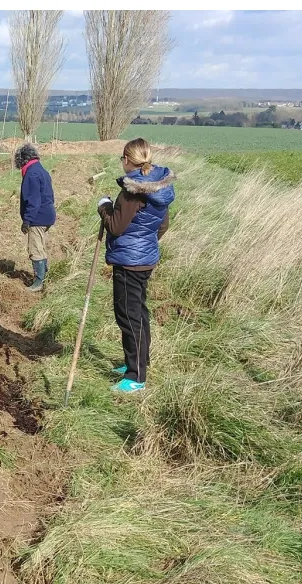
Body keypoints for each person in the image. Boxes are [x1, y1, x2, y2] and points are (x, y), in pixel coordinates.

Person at [96, 138, 176, 393]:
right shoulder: (156, 187)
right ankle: (138, 361)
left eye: (122, 158)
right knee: (138, 313)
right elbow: (162, 226)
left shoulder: (134, 190)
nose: (121, 162)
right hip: (144, 259)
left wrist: (104, 207)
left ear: (129, 160)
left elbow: (116, 226)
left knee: (128, 316)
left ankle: (136, 377)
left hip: (130, 262)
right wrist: (145, 244)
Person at [14, 142, 56, 292]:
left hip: (38, 217)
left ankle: (39, 282)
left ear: (22, 159)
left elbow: (33, 200)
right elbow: (50, 195)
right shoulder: (41, 170)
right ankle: (45, 276)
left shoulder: (31, 174)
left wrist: (27, 220)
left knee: (35, 248)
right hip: (47, 214)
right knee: (41, 246)